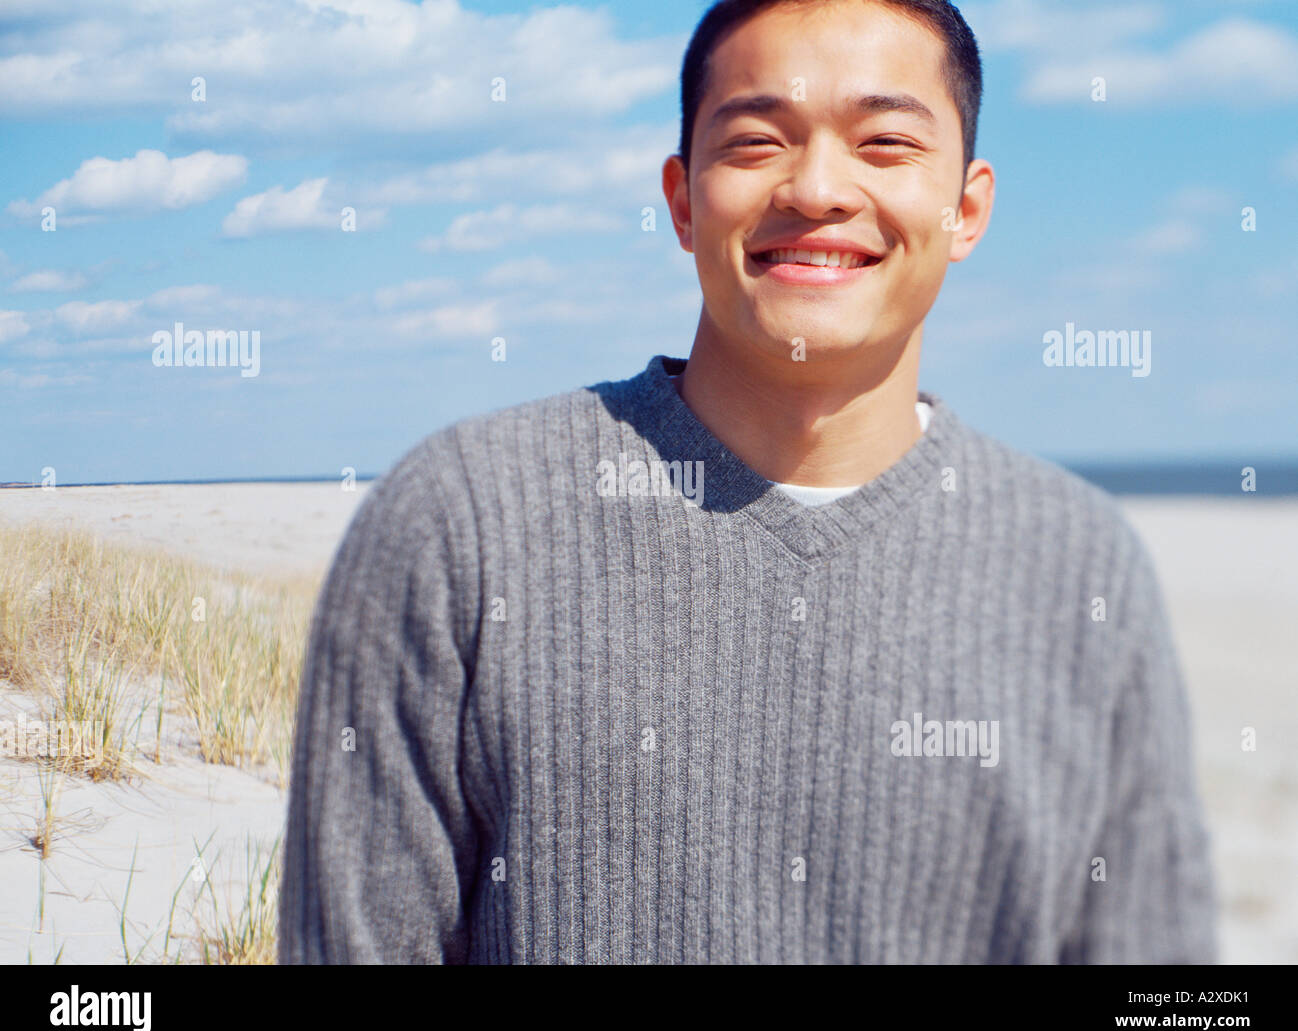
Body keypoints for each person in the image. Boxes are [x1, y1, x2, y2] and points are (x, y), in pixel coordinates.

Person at [279, 0, 1218, 964]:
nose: (816, 188)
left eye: (884, 141)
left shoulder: (1081, 567)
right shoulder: (459, 523)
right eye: (758, 140)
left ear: (965, 208)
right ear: (684, 201)